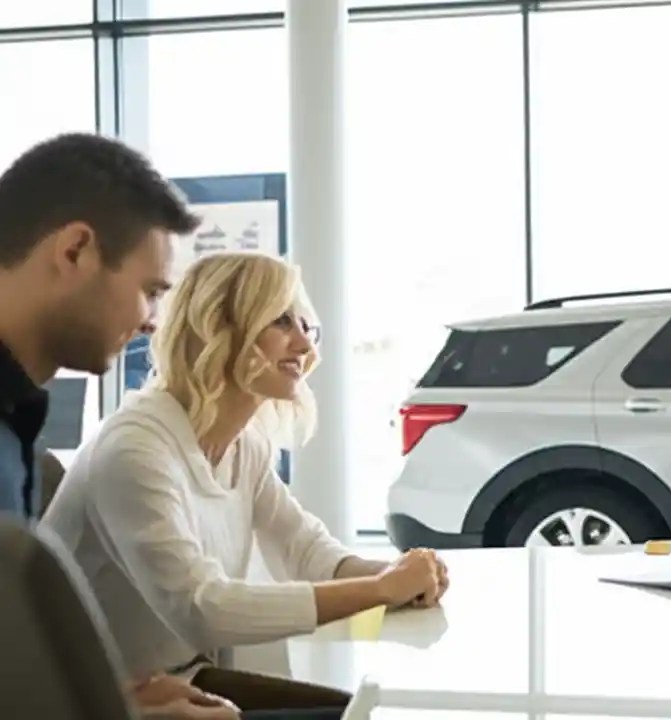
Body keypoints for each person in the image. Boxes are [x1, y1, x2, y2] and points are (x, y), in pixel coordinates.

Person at [42, 251, 449, 713]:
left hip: (178, 680)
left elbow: (308, 552)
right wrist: (380, 590)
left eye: (304, 324)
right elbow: (203, 608)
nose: (304, 345)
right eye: (280, 322)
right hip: (91, 703)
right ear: (220, 331)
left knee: (367, 712)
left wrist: (398, 577)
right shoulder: (136, 448)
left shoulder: (244, 444)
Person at [0, 132, 248, 718]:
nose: (152, 324)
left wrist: (107, 705)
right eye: (149, 292)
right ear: (76, 250)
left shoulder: (17, 429)